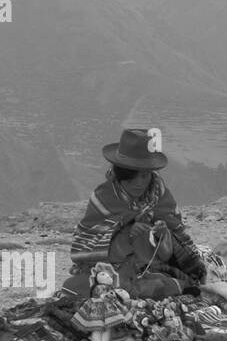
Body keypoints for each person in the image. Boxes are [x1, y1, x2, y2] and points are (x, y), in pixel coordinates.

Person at [64, 128, 206, 298]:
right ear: (120, 173)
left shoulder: (159, 193)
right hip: (115, 269)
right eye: (132, 177)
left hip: (152, 267)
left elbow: (172, 248)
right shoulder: (104, 198)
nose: (139, 183)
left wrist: (162, 235)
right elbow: (86, 249)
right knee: (80, 286)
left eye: (145, 176)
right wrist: (127, 236)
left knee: (167, 283)